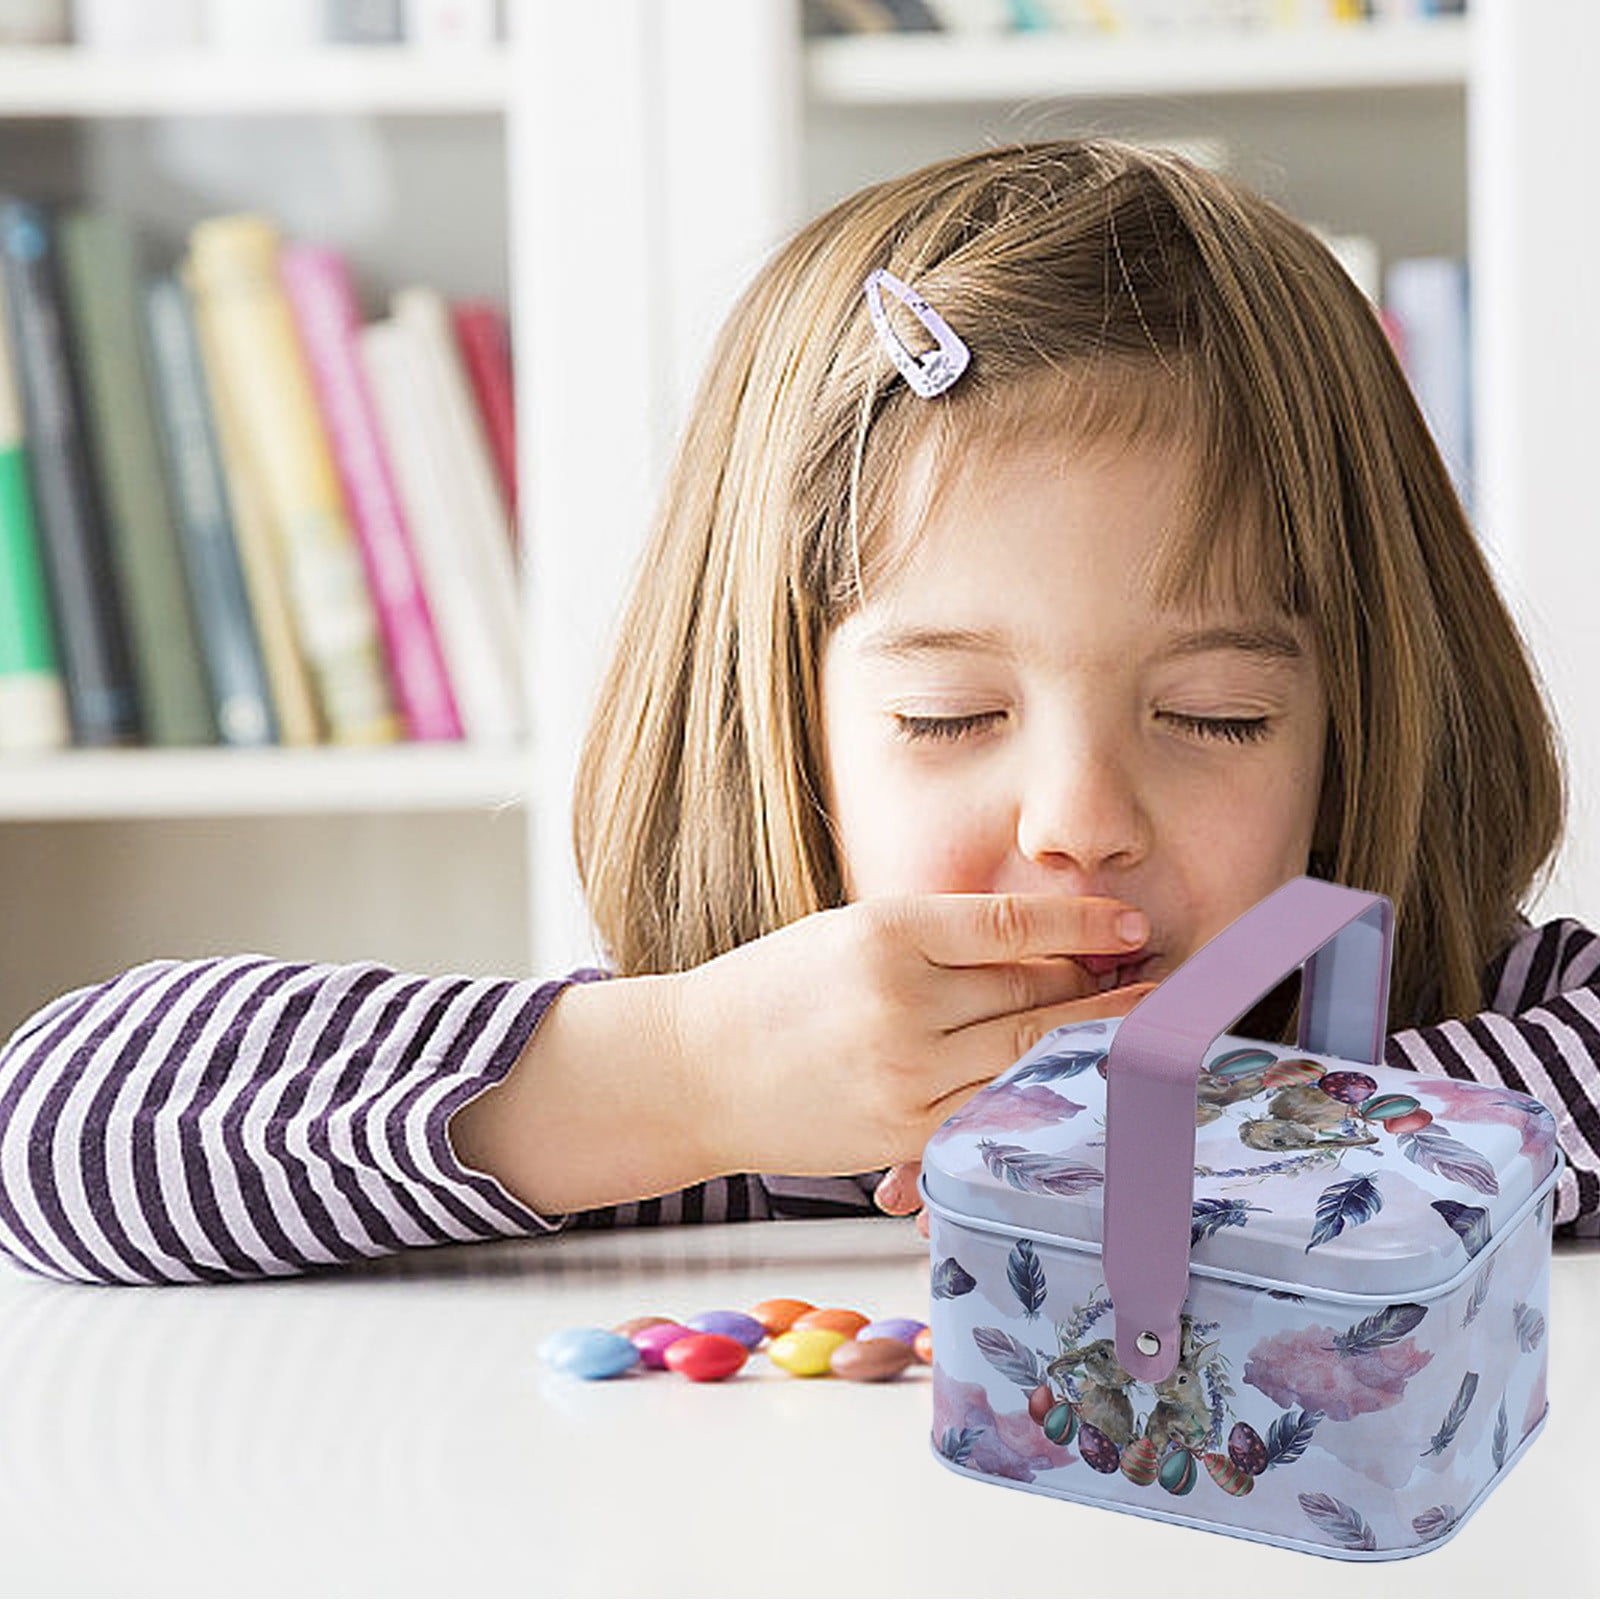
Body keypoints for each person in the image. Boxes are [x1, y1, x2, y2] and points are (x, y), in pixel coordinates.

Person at [0, 138, 1592, 1287]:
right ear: (782, 729)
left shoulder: (1447, 1019)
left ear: (1363, 717)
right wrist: (678, 1079)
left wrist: (1236, 1144)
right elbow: (58, 1129)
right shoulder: (727, 1108)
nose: (1083, 818)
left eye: (1222, 715)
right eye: (954, 714)